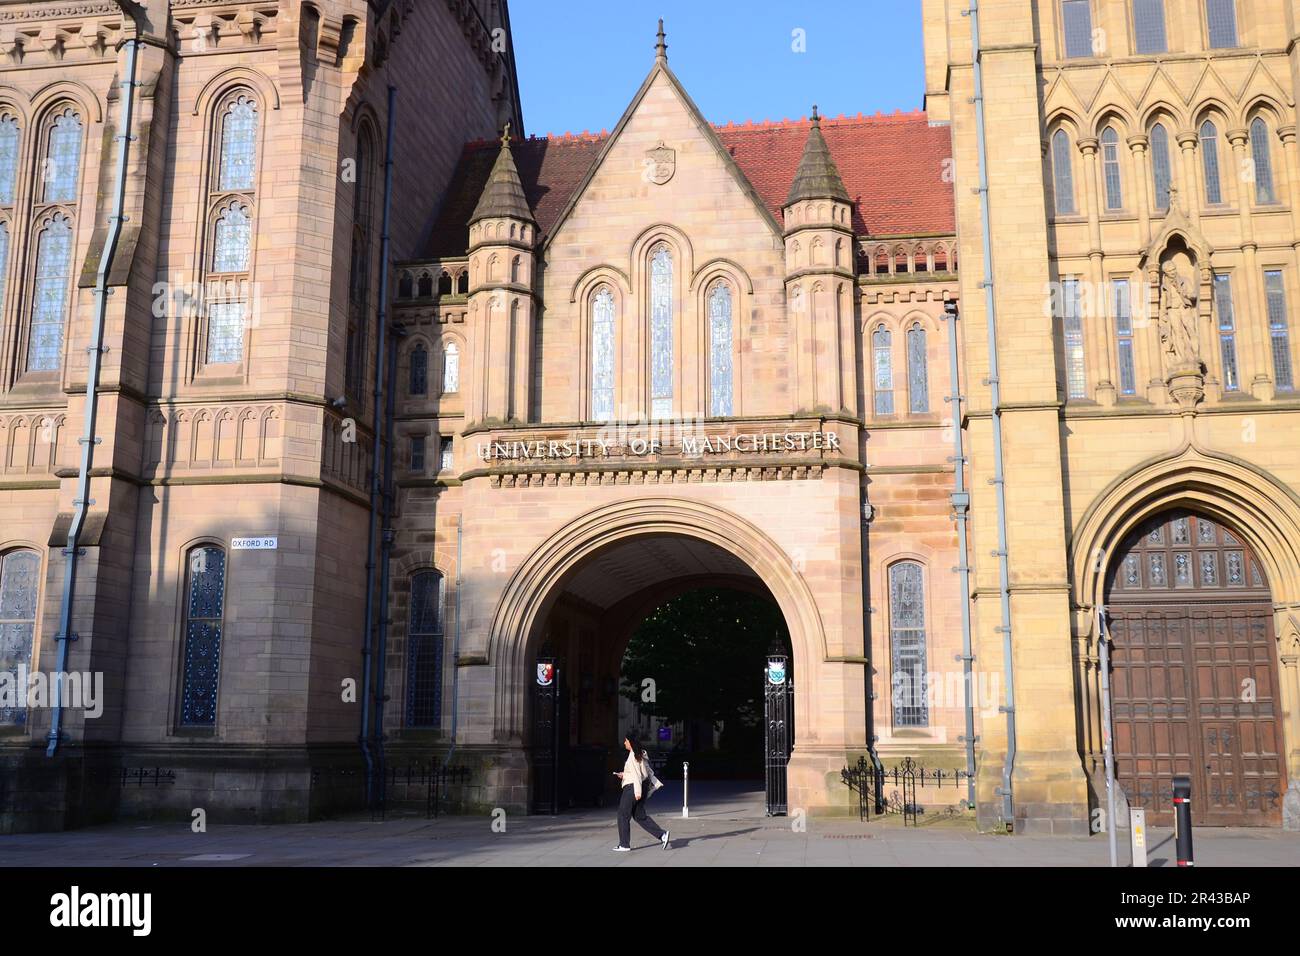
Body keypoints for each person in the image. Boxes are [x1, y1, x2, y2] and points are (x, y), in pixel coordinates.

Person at [612, 732, 670, 852]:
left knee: (622, 815)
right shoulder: (639, 755)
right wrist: (624, 775)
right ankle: (662, 835)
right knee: (639, 816)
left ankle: (624, 844)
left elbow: (637, 775)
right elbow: (642, 773)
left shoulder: (633, 755)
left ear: (630, 742)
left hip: (632, 789)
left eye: (626, 740)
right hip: (639, 787)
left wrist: (637, 793)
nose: (624, 743)